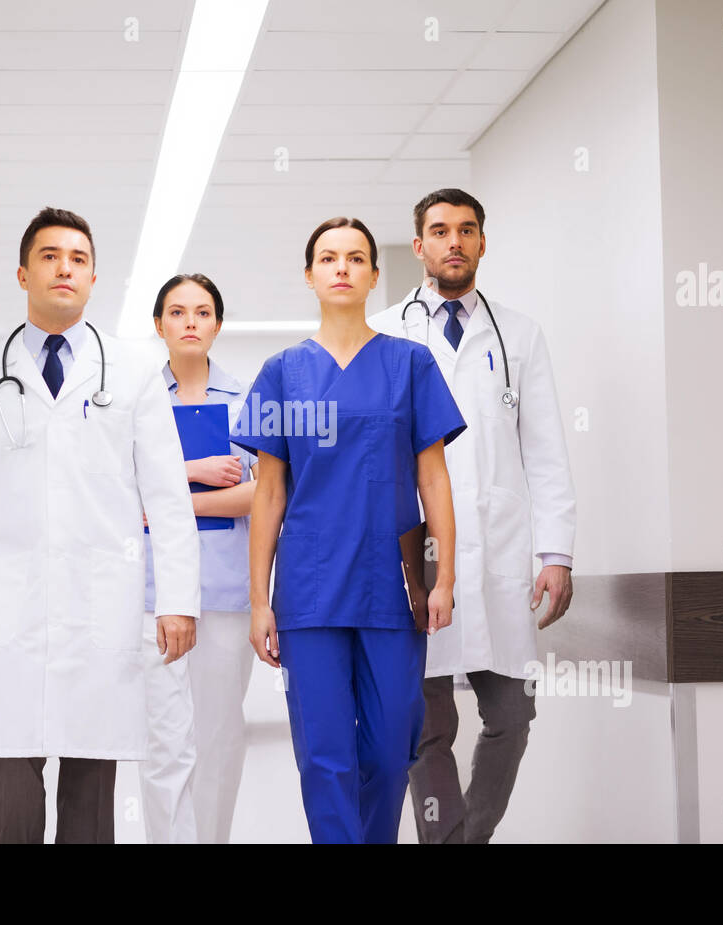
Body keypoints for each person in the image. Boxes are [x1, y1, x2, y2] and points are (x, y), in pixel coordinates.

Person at [0, 207, 201, 844]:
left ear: (94, 278)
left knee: (91, 769)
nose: (64, 268)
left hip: (102, 598)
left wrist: (179, 601)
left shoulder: (132, 375)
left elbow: (166, 497)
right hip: (9, 601)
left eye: (77, 259)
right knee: (12, 770)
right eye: (50, 257)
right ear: (23, 274)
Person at [231, 217, 466, 844]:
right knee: (325, 755)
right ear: (309, 275)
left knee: (392, 751)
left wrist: (443, 577)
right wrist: (259, 601)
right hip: (309, 588)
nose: (342, 268)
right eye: (328, 258)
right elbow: (269, 492)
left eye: (355, 258)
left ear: (373, 275)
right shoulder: (282, 373)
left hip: (391, 584)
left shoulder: (410, 364)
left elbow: (435, 482)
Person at [367, 188, 577, 844]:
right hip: (417, 554)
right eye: (439, 230)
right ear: (420, 243)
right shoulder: (384, 331)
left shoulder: (519, 334)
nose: (453, 241)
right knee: (426, 725)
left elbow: (544, 450)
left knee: (512, 713)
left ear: (482, 242)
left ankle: (466, 837)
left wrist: (557, 553)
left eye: (466, 230)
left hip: (499, 550)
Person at [137, 273, 259, 844]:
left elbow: (261, 494)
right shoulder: (136, 399)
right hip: (154, 595)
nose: (190, 321)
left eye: (203, 312)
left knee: (218, 737)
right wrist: (194, 473)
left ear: (217, 324)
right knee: (163, 741)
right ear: (159, 325)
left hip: (227, 591)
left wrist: (169, 500)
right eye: (178, 312)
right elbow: (118, 492)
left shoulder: (247, 401)